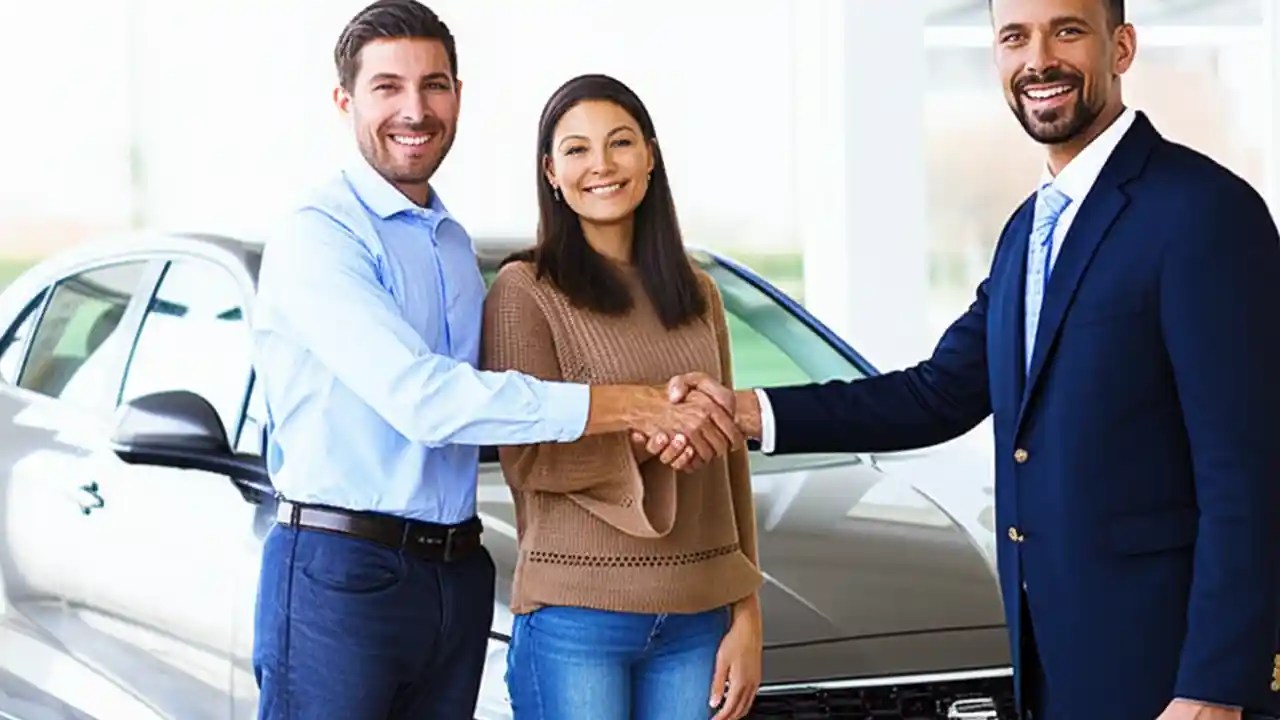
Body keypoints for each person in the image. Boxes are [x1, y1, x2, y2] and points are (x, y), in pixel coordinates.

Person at [665, 0, 1280, 718]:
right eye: (1014, 38)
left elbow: (1250, 475)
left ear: (1123, 48)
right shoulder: (1028, 230)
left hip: (1166, 674)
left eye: (1067, 31)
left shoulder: (1204, 212)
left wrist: (1213, 686)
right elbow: (937, 393)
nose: (1038, 60)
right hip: (1053, 666)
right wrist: (746, 411)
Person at [248, 3, 740, 718]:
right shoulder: (319, 236)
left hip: (455, 572)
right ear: (344, 101)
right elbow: (429, 400)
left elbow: (498, 412)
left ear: (458, 94)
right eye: (388, 87)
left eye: (434, 85)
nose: (414, 110)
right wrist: (634, 406)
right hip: (340, 571)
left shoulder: (449, 241)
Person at [479, 74, 763, 720]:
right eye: (576, 150)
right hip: (578, 620)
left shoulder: (698, 293)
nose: (601, 165)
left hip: (698, 616)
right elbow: (527, 458)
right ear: (550, 172)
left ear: (651, 156)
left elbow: (731, 462)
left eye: (620, 143)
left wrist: (747, 614)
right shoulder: (526, 291)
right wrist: (646, 437)